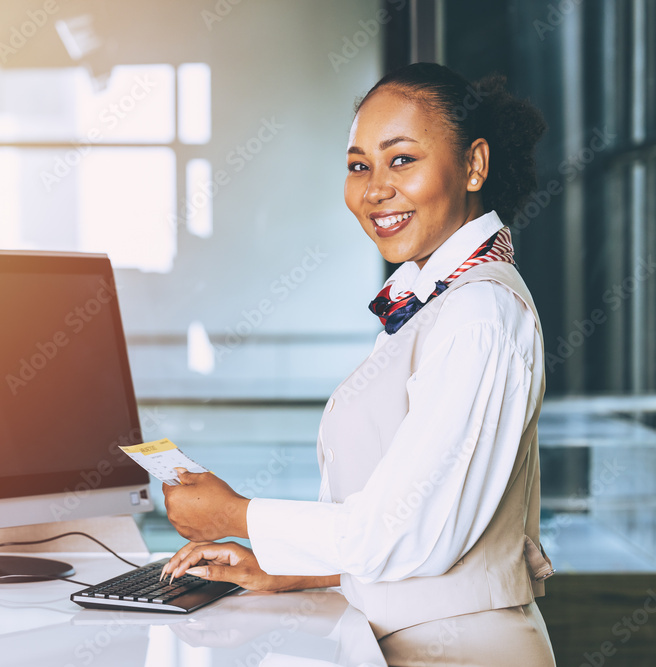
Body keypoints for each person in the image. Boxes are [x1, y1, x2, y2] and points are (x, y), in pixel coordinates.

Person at [161, 62, 556, 666]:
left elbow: (405, 532)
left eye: (402, 159)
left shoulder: (478, 312)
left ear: (473, 165)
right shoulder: (438, 302)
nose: (374, 189)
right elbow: (401, 531)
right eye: (357, 166)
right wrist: (285, 571)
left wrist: (235, 513)